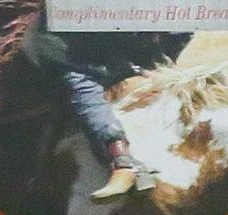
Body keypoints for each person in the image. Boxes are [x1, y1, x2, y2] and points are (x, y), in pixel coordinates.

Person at [23, 19, 192, 203]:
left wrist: (159, 65)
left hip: (127, 40)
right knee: (85, 90)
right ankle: (122, 161)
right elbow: (96, 44)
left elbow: (181, 31)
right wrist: (137, 69)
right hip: (69, 47)